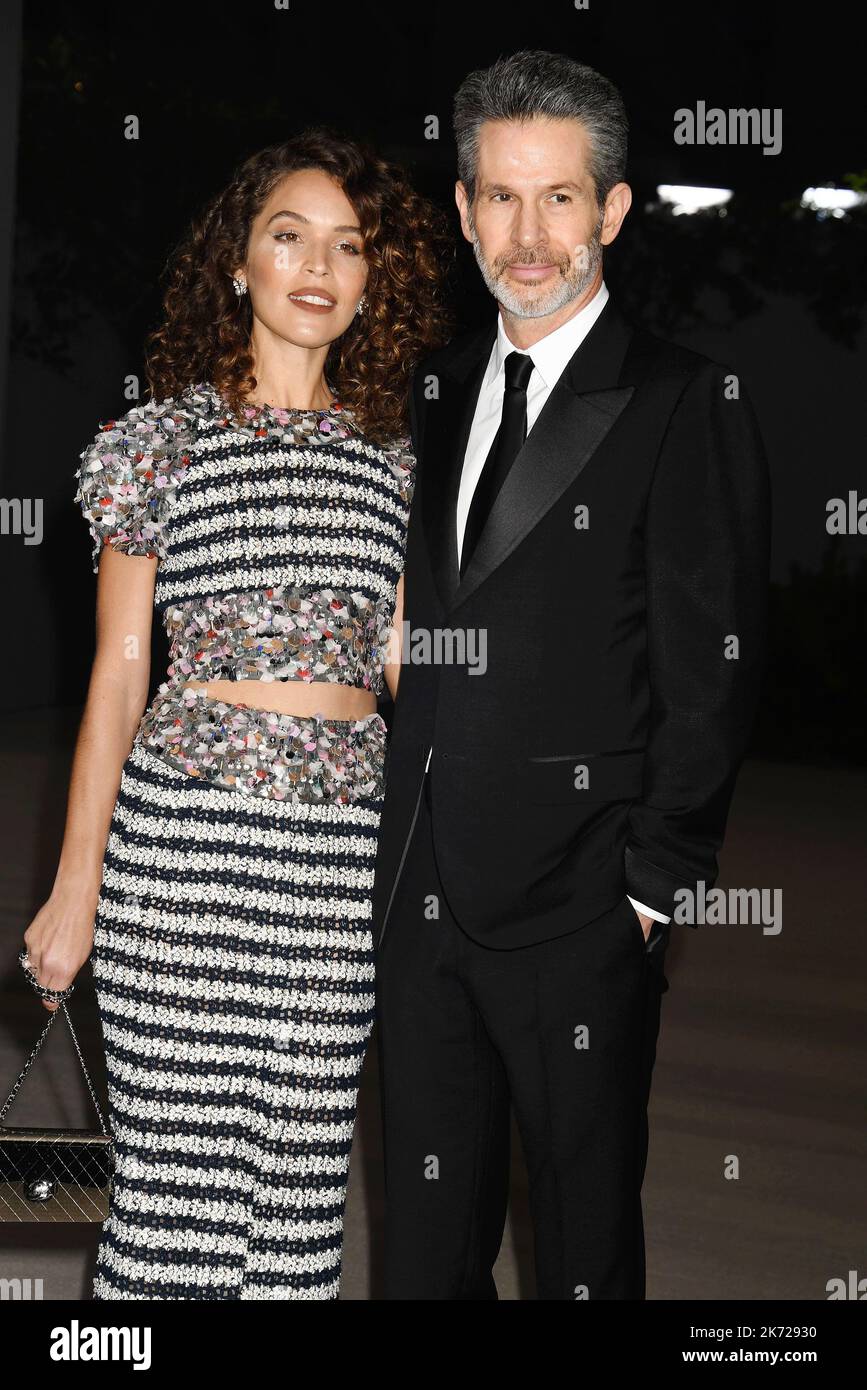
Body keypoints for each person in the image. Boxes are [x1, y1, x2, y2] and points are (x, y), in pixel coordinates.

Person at [22, 128, 451, 1299]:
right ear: (238, 263)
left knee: (301, 1202)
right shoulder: (159, 445)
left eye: (348, 245)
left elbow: (416, 672)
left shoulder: (402, 469)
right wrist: (74, 889)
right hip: (182, 853)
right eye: (288, 234)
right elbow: (116, 675)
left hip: (335, 865)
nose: (318, 264)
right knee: (176, 1206)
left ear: (374, 281)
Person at [373, 50, 771, 1299]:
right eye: (498, 196)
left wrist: (655, 888)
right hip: (420, 887)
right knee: (427, 1250)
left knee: (583, 1249)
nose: (527, 234)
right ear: (461, 208)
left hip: (583, 906)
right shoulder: (431, 389)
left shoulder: (680, 399)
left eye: (559, 199)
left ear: (612, 210)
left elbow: (713, 665)